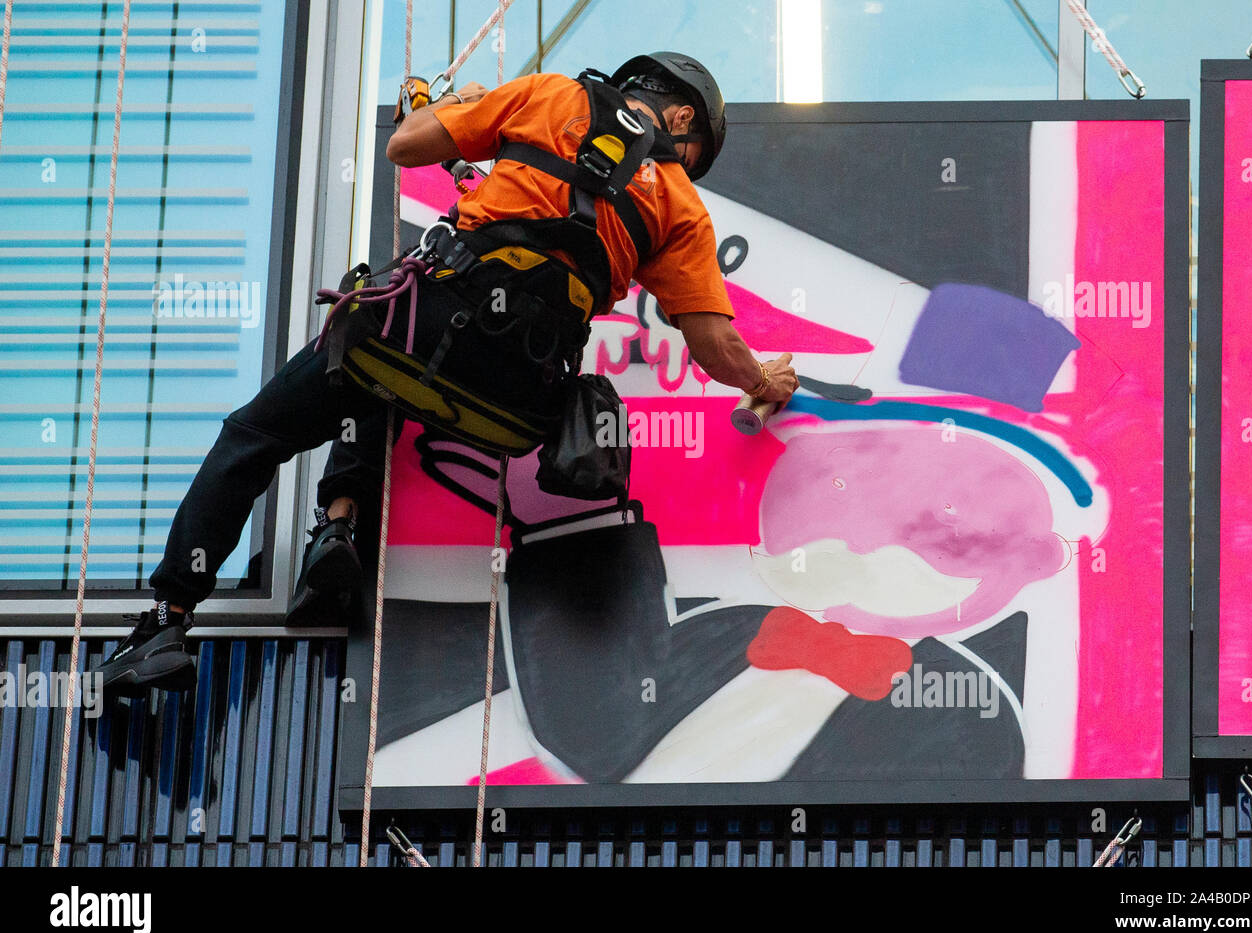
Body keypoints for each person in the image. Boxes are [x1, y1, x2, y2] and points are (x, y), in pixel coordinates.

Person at [100, 51, 799, 697]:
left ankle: (168, 618)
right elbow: (714, 345)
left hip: (431, 326)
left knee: (265, 426)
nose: (689, 158)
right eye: (696, 147)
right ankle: (338, 524)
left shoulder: (550, 96)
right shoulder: (680, 204)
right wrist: (764, 382)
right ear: (681, 116)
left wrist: (454, 108)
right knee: (381, 383)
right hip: (525, 397)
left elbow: (406, 147)